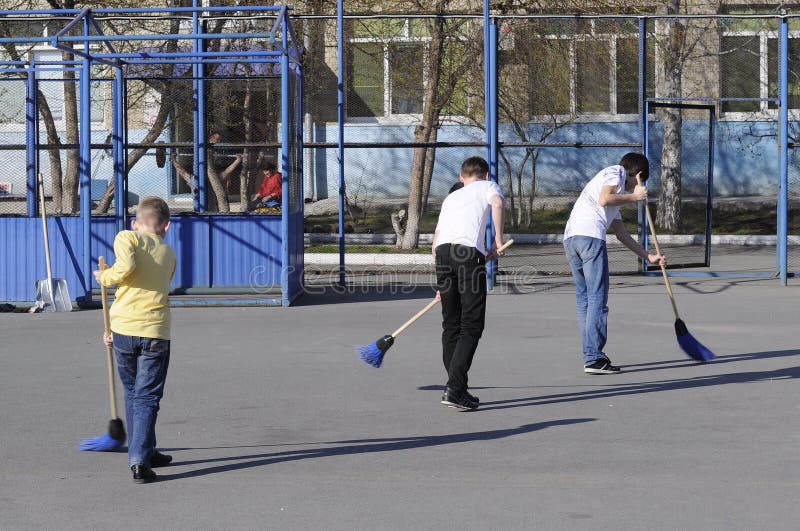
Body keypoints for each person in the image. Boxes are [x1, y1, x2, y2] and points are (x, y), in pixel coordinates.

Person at [94, 196, 177, 484]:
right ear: (166, 226)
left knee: (134, 393)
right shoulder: (169, 253)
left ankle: (146, 451)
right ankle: (141, 459)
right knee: (146, 397)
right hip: (155, 331)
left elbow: (126, 267)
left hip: (124, 330)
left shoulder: (126, 236)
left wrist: (105, 277)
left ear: (135, 222)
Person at [563, 152, 666, 375]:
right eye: (639, 182)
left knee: (586, 298)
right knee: (597, 297)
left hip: (572, 239)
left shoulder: (612, 186)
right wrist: (635, 197)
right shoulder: (615, 173)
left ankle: (591, 354)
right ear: (638, 175)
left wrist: (648, 256)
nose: (632, 189)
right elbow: (604, 199)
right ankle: (593, 358)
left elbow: (621, 234)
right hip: (589, 238)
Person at [432, 156, 505, 410]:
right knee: (471, 324)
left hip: (443, 254)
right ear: (485, 175)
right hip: (466, 254)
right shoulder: (489, 186)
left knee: (450, 323)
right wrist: (498, 238)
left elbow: (437, 241)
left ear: (462, 178)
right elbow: (496, 203)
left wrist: (442, 284)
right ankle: (454, 388)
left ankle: (457, 388)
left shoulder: (452, 197)